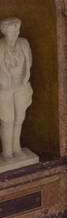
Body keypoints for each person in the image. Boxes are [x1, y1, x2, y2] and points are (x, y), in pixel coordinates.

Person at [0, 17, 34, 164]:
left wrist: (23, 78)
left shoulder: (24, 43)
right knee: (7, 120)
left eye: (16, 31)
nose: (14, 34)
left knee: (19, 118)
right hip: (4, 90)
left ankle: (16, 148)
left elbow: (29, 62)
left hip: (21, 86)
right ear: (4, 32)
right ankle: (7, 152)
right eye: (11, 32)